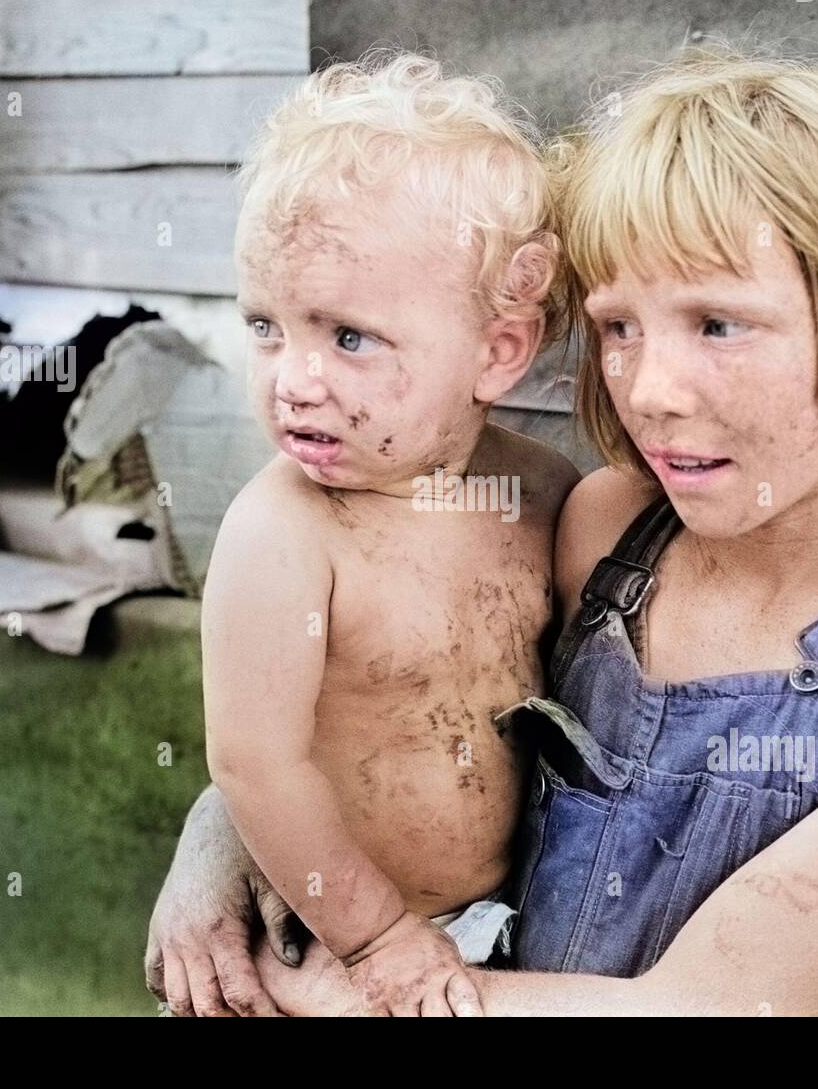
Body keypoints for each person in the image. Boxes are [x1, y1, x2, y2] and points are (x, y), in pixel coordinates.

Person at [149, 44, 818, 1016]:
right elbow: (386, 710)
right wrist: (225, 830)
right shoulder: (604, 531)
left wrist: (350, 999)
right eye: (619, 327)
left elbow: (708, 1007)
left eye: (718, 323)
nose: (650, 394)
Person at [157, 51, 580, 1017]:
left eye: (347, 336)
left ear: (496, 350)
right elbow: (255, 764)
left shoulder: (545, 493)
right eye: (266, 326)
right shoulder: (284, 533)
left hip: (508, 925)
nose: (294, 379)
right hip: (335, 940)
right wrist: (380, 938)